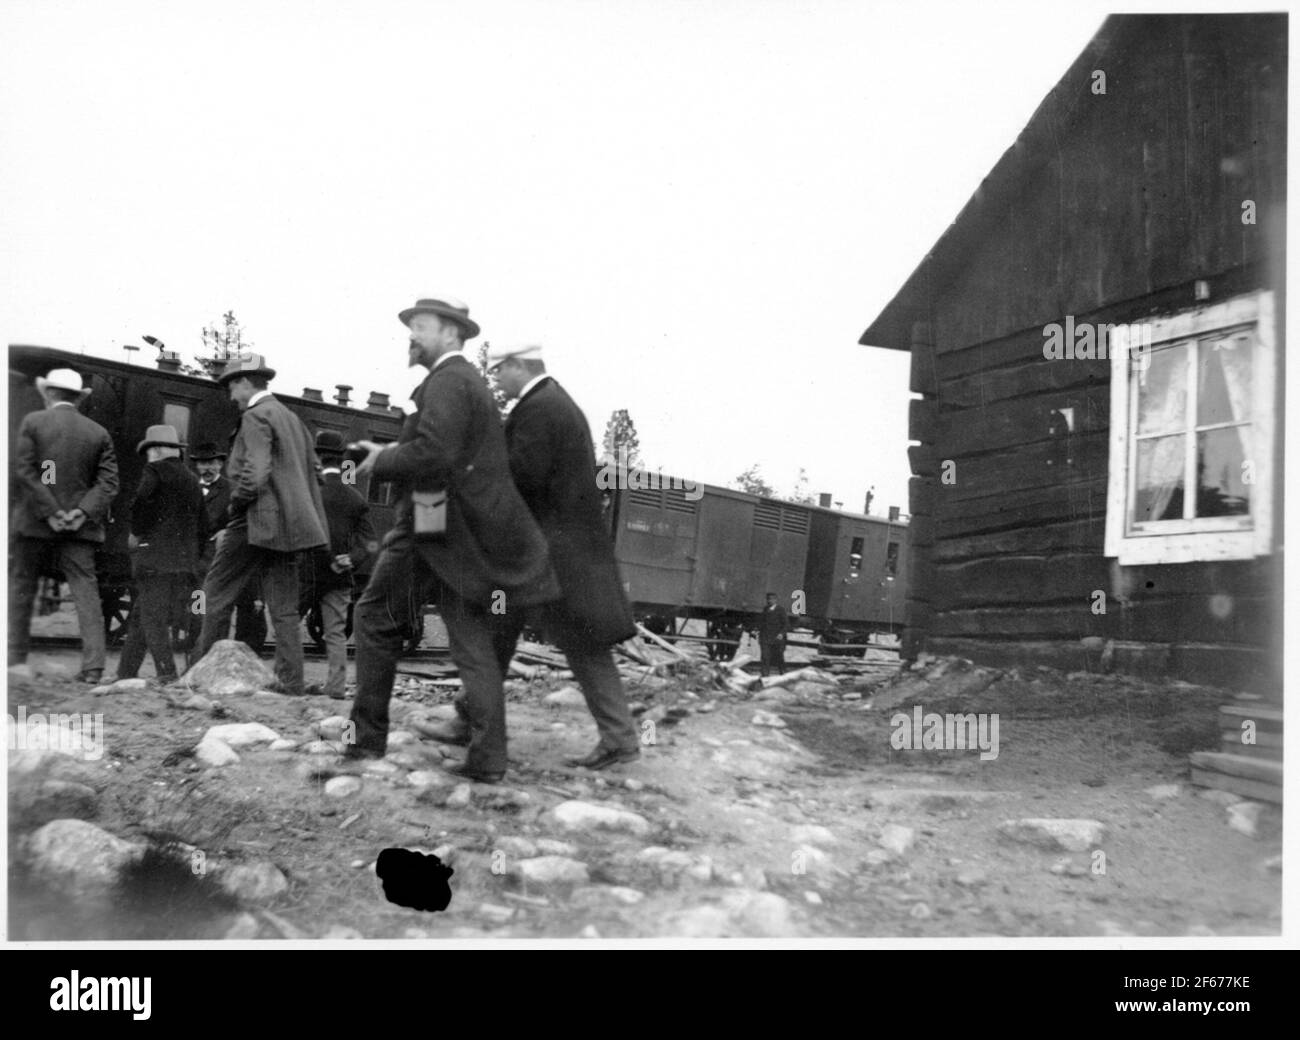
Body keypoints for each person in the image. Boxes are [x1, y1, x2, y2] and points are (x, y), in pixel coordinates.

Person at [348, 296, 560, 782]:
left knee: (376, 616)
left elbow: (436, 453)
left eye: (419, 327)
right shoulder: (464, 382)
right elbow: (440, 446)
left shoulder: (447, 380)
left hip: (434, 515)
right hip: (458, 525)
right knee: (468, 638)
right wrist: (391, 449)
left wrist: (383, 460)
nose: (411, 336)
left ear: (449, 332)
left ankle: (364, 743)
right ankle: (487, 760)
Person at [424, 343, 640, 770]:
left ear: (520, 365)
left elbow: (520, 479)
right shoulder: (552, 403)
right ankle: (470, 717)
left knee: (582, 645)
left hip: (552, 558)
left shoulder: (542, 408)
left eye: (499, 370)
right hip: (554, 554)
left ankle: (620, 740)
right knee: (501, 631)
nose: (497, 380)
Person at [190, 354, 329, 695]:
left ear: (244, 383)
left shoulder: (255, 416)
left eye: (231, 388)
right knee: (284, 609)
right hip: (289, 529)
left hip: (253, 521)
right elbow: (316, 472)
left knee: (214, 594)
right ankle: (291, 682)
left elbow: (255, 472)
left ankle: (197, 674)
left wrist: (236, 503)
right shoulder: (293, 419)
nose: (231, 397)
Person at [9, 367, 120, 682]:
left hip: (35, 524)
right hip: (81, 530)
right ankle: (94, 668)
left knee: (21, 586)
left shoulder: (34, 422)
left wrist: (52, 511)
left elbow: (29, 471)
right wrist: (81, 513)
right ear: (78, 398)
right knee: (86, 591)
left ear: (50, 393)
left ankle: (15, 659)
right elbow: (108, 483)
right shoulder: (98, 432)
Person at [115, 425, 205, 683]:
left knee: (152, 619)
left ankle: (167, 674)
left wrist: (137, 532)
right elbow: (203, 524)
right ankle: (125, 673)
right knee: (140, 616)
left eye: (148, 451)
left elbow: (142, 504)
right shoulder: (191, 479)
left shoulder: (154, 471)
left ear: (154, 450)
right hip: (184, 563)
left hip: (154, 559)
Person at [300, 430, 376, 699]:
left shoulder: (307, 491)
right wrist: (350, 560)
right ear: (341, 459)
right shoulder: (356, 498)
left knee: (288, 623)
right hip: (339, 577)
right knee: (335, 634)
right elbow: (371, 543)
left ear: (318, 457)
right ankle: (335, 688)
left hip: (305, 572)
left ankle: (287, 682)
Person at [189, 441, 265, 656]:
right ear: (197, 466)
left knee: (218, 610)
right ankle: (195, 657)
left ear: (220, 464)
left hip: (219, 562)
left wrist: (224, 532)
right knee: (197, 611)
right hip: (196, 563)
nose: (207, 468)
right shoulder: (192, 488)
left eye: (212, 463)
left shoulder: (231, 489)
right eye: (203, 464)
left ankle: (212, 656)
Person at [757, 592, 788, 677]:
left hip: (777, 638)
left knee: (779, 657)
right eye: (768, 599)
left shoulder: (781, 610)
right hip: (765, 637)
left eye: (771, 599)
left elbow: (785, 624)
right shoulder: (765, 609)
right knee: (765, 656)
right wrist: (759, 633)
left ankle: (783, 673)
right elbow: (762, 623)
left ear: (775, 600)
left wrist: (781, 634)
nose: (769, 601)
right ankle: (765, 675)